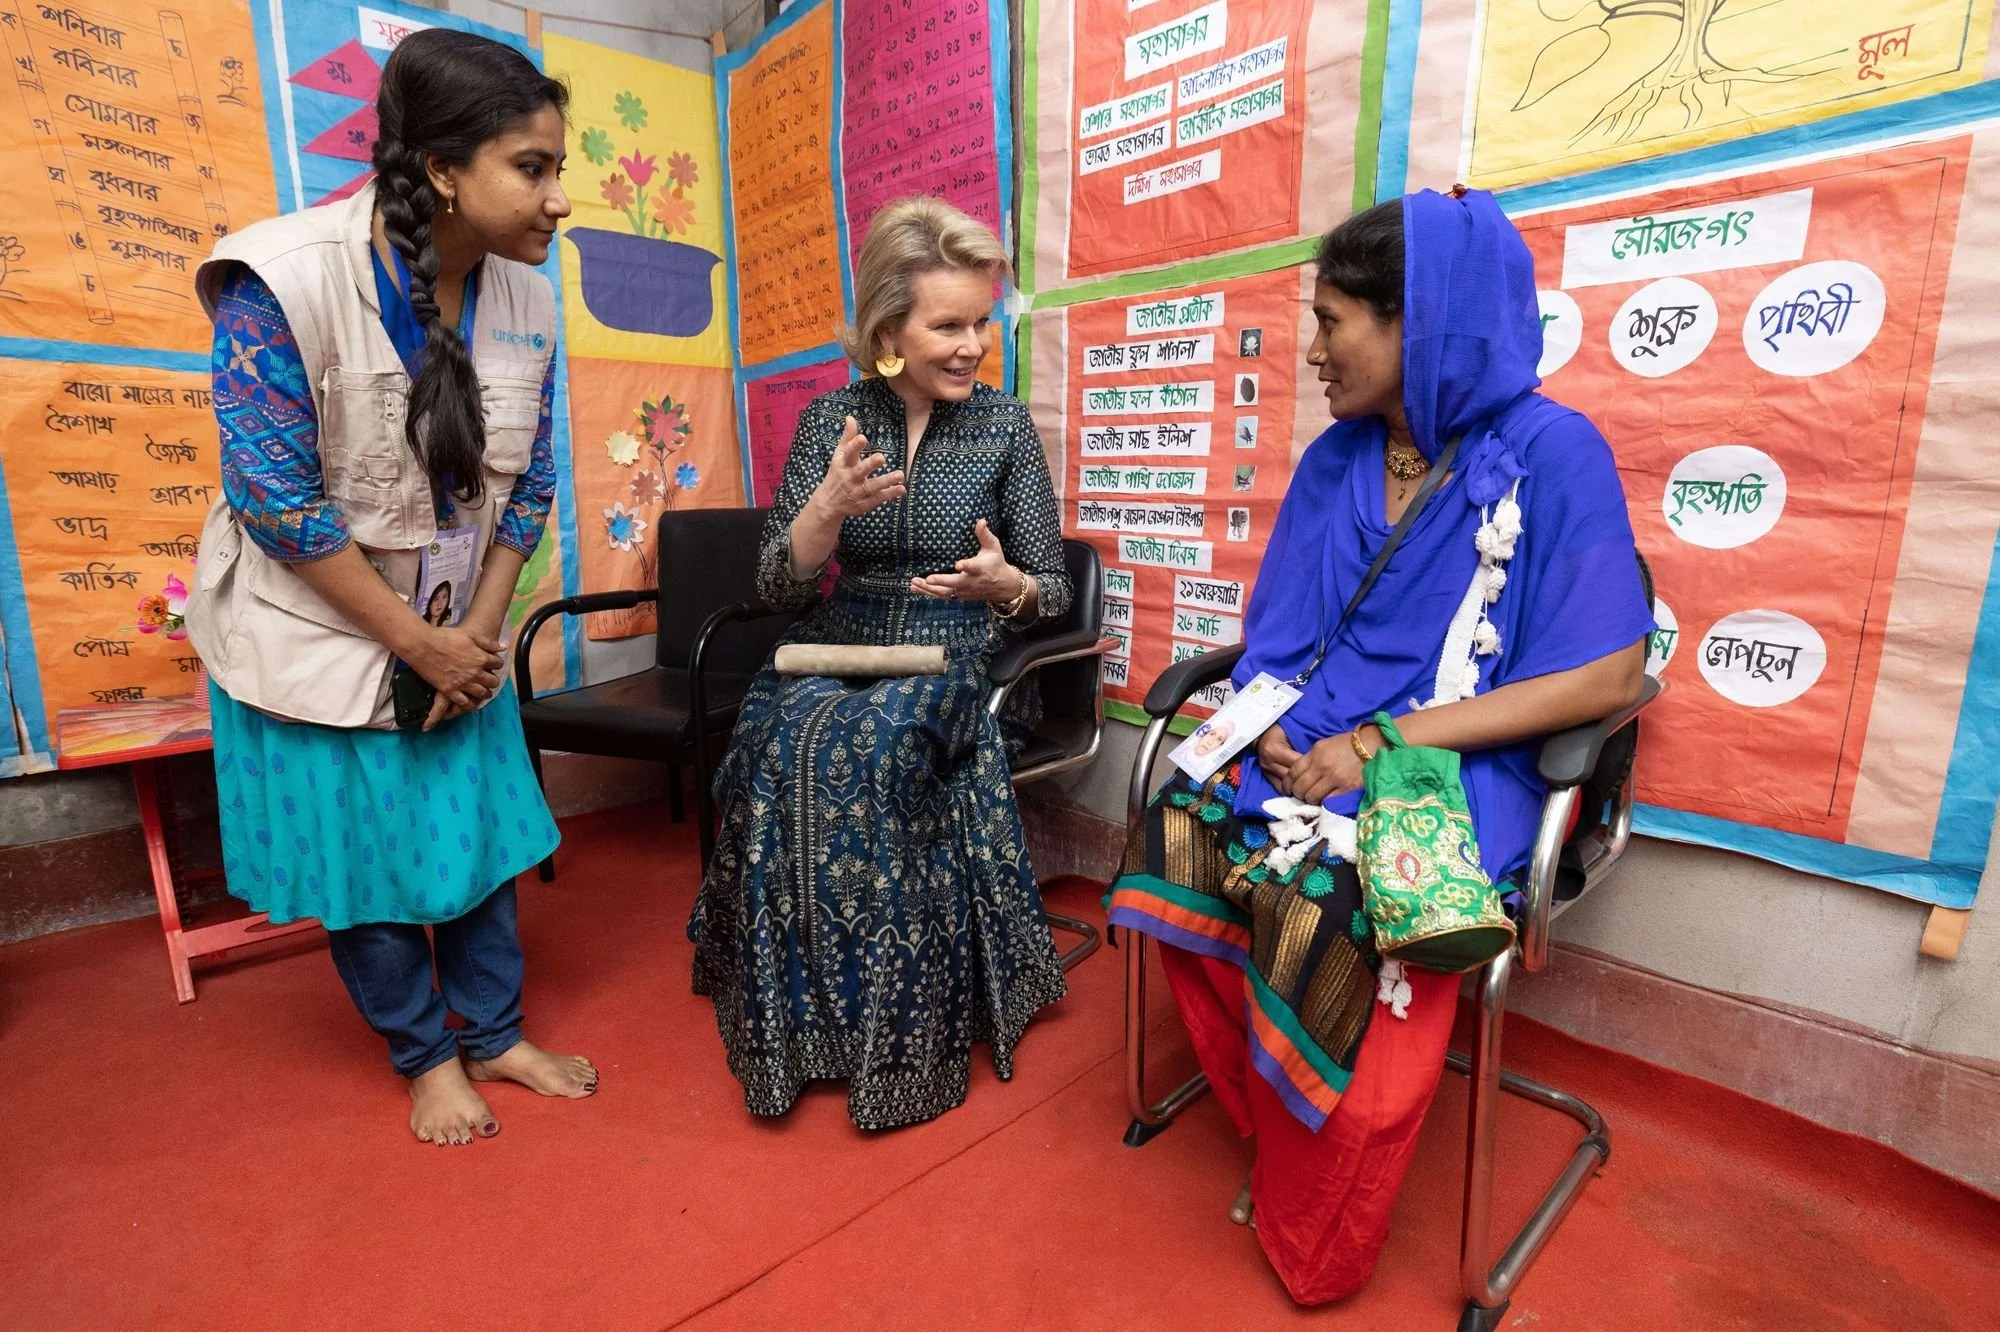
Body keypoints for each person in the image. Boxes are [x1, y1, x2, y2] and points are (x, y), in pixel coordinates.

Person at [1107, 189, 1653, 1302]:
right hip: (1319, 743)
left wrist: (1378, 743)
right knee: (1177, 820)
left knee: (1333, 896)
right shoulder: (1338, 457)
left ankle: (1319, 1234)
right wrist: (1267, 737)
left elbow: (1603, 675)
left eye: (1331, 321)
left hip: (1466, 767)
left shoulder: (1553, 453)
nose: (1312, 351)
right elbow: (1282, 644)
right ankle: (1274, 1122)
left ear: (1424, 325)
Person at [186, 29, 597, 1147]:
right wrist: (411, 645)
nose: (557, 199)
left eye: (558, 167)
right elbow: (276, 501)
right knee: (367, 857)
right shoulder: (278, 280)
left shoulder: (523, 297)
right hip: (318, 623)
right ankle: (423, 1055)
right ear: (441, 172)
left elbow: (533, 480)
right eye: (532, 167)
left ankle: (494, 1031)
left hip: (453, 620)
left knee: (477, 835)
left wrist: (473, 631)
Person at [689, 196, 1072, 1131]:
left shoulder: (1005, 428)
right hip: (837, 630)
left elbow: (1055, 587)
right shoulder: (832, 423)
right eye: (949, 325)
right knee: (771, 742)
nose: (974, 344)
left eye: (981, 321)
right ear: (888, 331)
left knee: (880, 747)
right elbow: (780, 583)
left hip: (952, 642)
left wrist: (1005, 584)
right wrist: (823, 513)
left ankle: (896, 1027)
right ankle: (799, 1011)